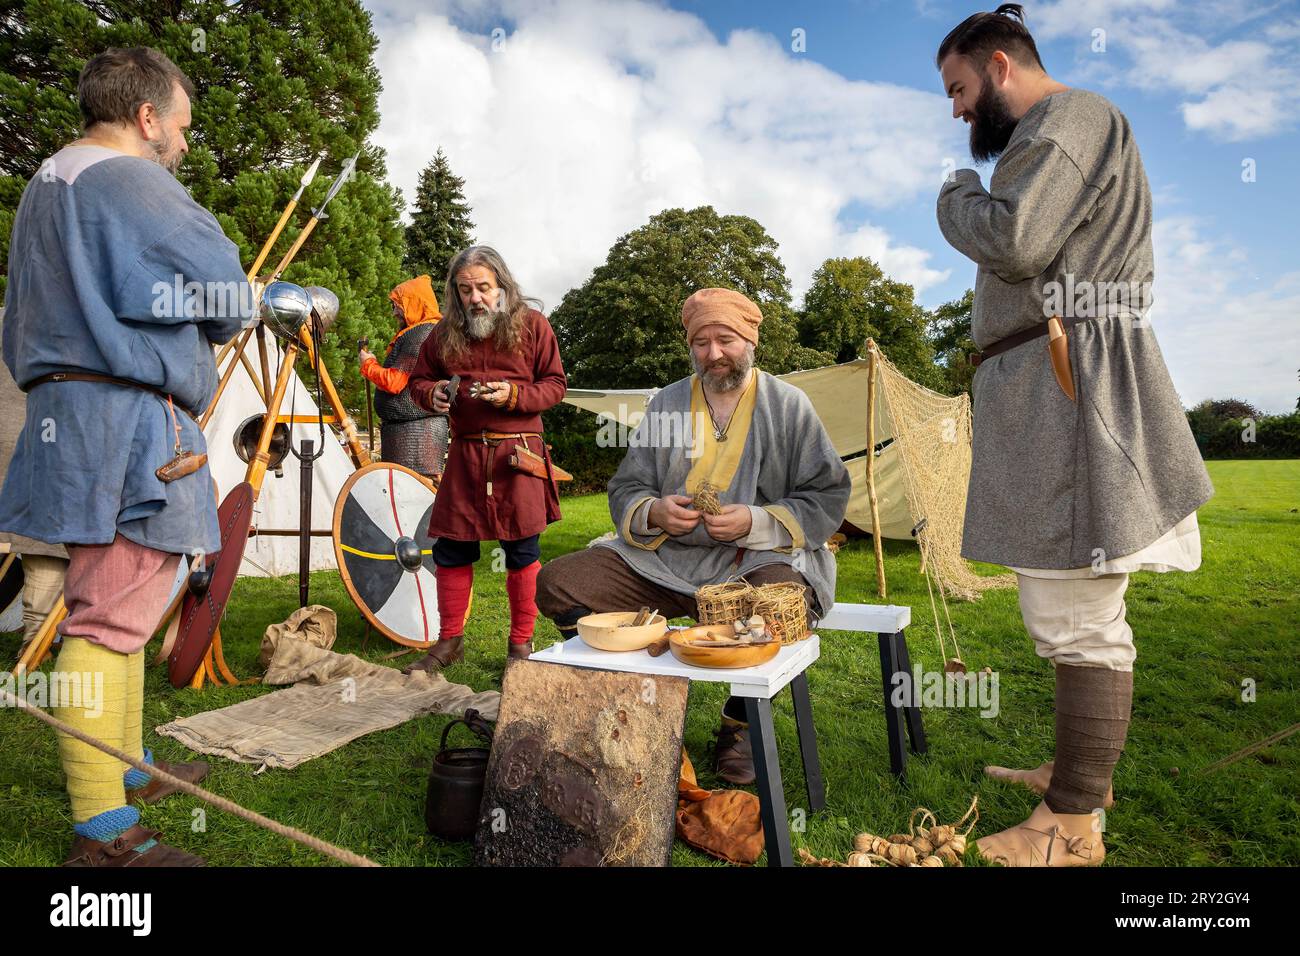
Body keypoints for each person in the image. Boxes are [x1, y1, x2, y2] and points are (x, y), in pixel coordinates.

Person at [934, 5, 1214, 866]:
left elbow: (1017, 240)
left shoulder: (1070, 117)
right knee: (1064, 599)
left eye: (958, 87)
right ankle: (1077, 771)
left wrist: (954, 197)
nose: (955, 110)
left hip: (1071, 374)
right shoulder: (1060, 128)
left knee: (1075, 606)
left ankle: (1072, 824)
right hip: (1052, 372)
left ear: (1002, 65)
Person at [0, 47, 251, 866]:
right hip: (129, 422)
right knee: (111, 617)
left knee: (119, 608)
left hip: (68, 416)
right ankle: (103, 832)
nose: (181, 144)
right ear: (146, 118)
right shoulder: (134, 180)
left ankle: (129, 766)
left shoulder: (45, 185)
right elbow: (227, 293)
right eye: (179, 127)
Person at [536, 288, 851, 784]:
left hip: (749, 563)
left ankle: (739, 723)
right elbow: (628, 485)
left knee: (780, 601)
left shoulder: (788, 406)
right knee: (561, 581)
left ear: (750, 341)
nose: (714, 353)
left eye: (725, 339)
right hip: (664, 561)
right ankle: (630, 708)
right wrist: (654, 511)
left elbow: (827, 494)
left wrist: (756, 522)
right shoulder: (666, 403)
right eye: (701, 342)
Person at [402, 246, 566, 671]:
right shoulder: (443, 335)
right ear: (455, 294)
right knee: (451, 550)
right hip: (466, 453)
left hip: (518, 455)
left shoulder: (533, 326)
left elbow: (554, 385)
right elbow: (419, 379)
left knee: (521, 550)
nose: (475, 297)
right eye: (465, 289)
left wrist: (515, 395)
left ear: (502, 287)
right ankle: (450, 641)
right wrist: (431, 393)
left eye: (483, 287)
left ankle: (520, 647)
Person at [359, 274, 445, 478]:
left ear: (414, 303)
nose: (395, 312)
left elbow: (395, 382)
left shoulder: (420, 336)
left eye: (399, 305)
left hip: (416, 435)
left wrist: (368, 364)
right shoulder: (425, 333)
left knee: (415, 496)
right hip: (409, 431)